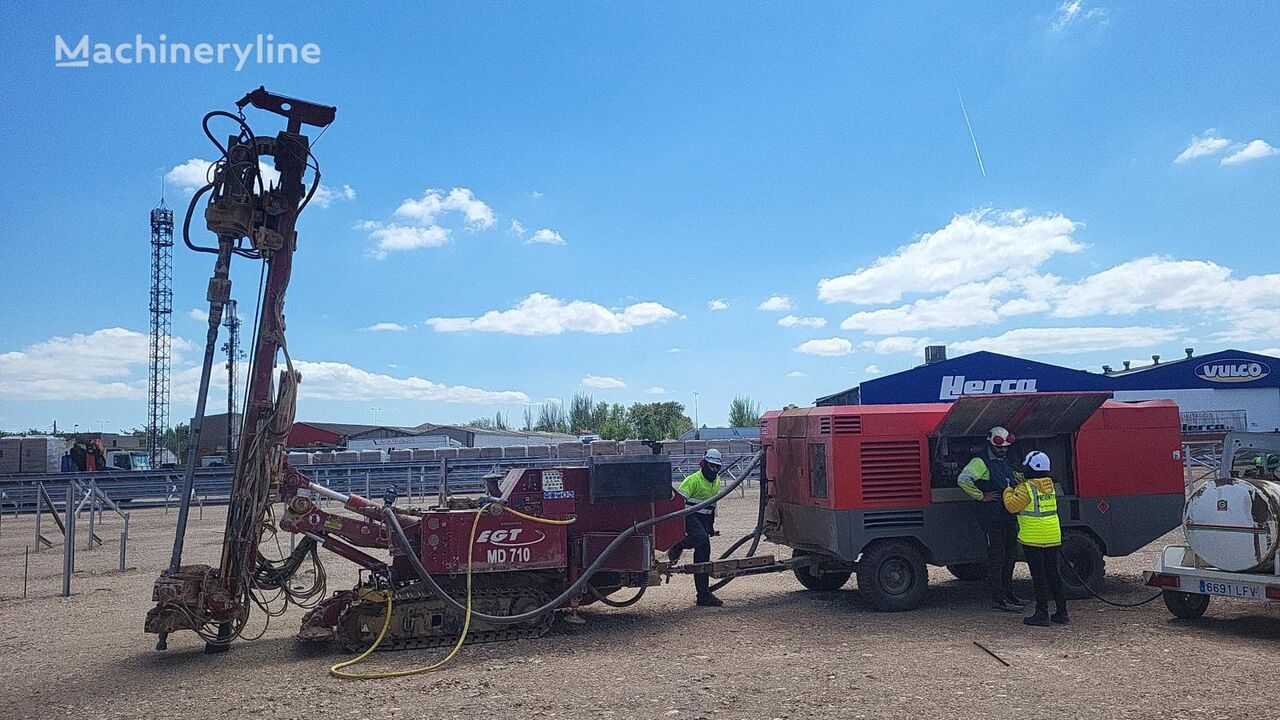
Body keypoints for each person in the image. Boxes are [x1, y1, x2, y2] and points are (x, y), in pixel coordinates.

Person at [957, 426, 1028, 612]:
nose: (1003, 449)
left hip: (1008, 515)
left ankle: (1009, 594)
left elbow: (1016, 479)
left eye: (1006, 447)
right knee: (997, 558)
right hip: (992, 517)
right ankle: (999, 598)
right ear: (990, 443)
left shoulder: (1006, 460)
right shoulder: (980, 462)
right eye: (1000, 447)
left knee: (1010, 556)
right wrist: (981, 496)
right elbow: (963, 479)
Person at [1003, 451, 1069, 626]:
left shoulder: (1026, 488)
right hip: (1052, 535)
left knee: (1039, 576)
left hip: (1033, 537)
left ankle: (1042, 613)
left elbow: (1011, 506)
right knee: (1053, 574)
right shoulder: (1051, 485)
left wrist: (1008, 490)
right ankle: (1062, 612)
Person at [667, 448, 725, 607]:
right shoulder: (692, 481)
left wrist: (710, 528)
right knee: (700, 539)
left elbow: (711, 507)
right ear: (704, 463)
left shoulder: (716, 482)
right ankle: (676, 545)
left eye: (717, 467)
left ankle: (703, 595)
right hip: (687, 515)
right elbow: (677, 505)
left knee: (704, 550)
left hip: (702, 519)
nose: (714, 469)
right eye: (711, 466)